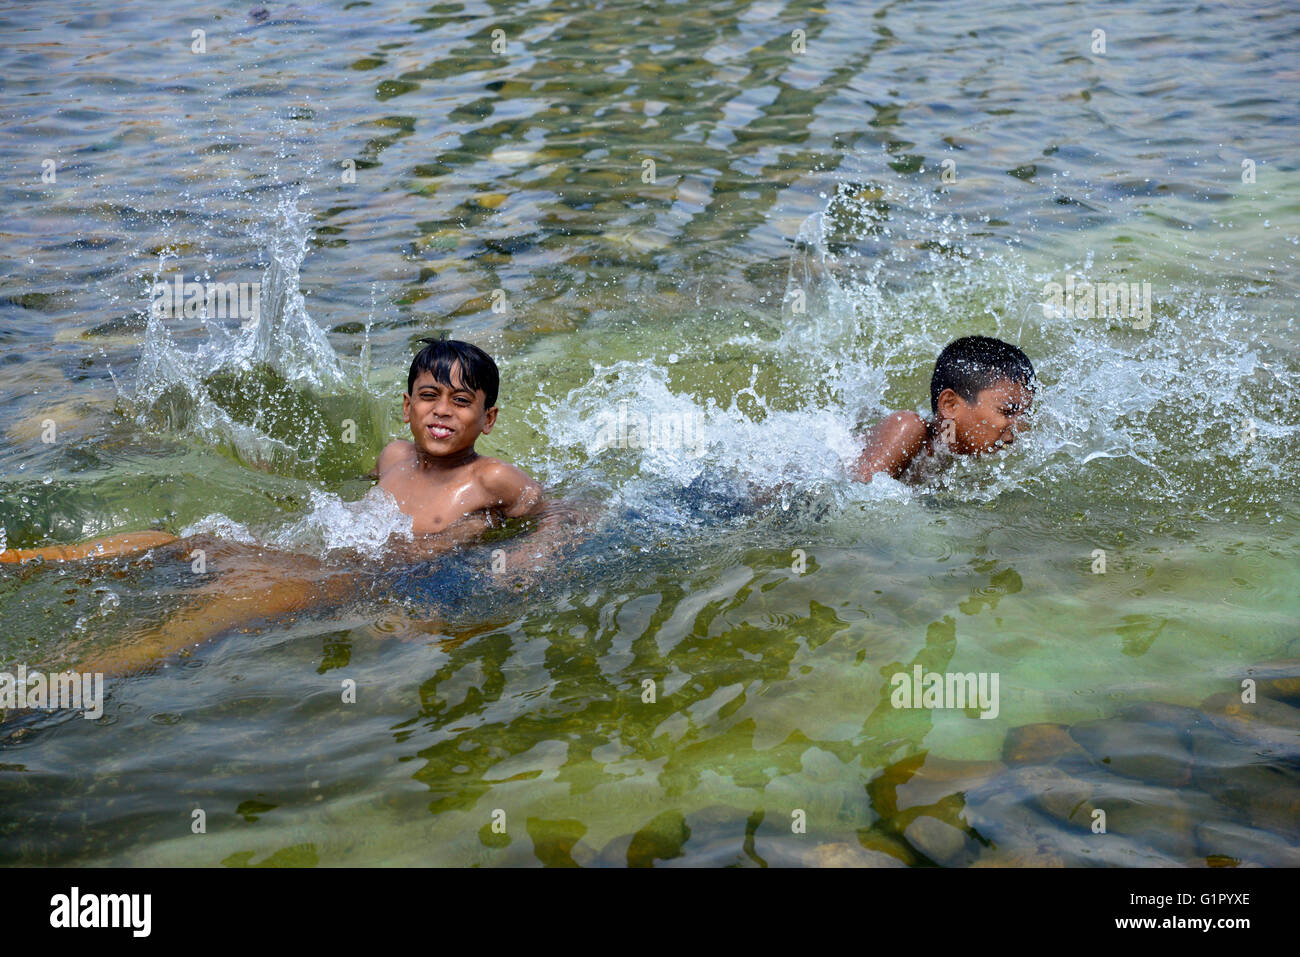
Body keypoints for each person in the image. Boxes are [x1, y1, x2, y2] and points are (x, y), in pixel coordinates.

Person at [2, 339, 563, 674]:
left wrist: (529, 558)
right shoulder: (394, 456)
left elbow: (561, 513)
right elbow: (330, 479)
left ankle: (60, 683)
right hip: (309, 552)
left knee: (203, 619)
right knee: (185, 542)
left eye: (462, 402)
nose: (442, 412)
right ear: (407, 406)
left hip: (352, 578)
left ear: (487, 419)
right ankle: (33, 559)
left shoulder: (491, 478)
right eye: (429, 397)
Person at [852, 336, 1036, 483]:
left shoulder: (955, 451)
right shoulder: (908, 428)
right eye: (1007, 411)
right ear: (950, 405)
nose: (1020, 425)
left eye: (1025, 413)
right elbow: (858, 497)